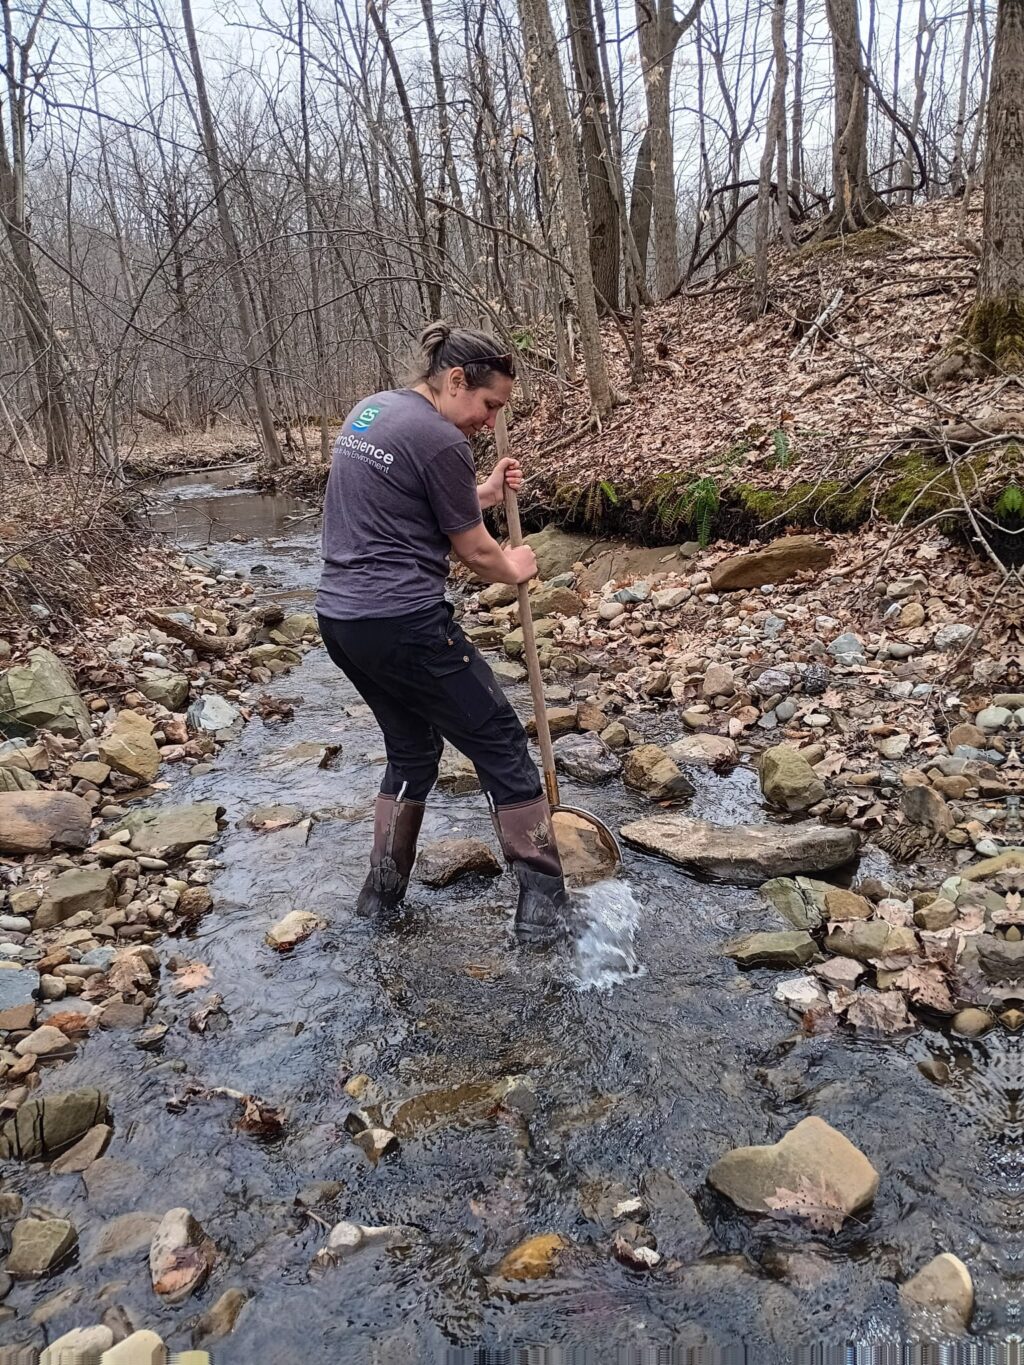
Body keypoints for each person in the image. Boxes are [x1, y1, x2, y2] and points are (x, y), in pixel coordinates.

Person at [315, 322, 569, 939]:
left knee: (412, 751)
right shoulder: (439, 440)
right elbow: (478, 554)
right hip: (403, 621)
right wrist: (517, 566)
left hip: (342, 620)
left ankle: (380, 901)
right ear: (456, 379)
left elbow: (404, 506)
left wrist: (480, 491)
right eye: (489, 404)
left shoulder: (372, 412)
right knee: (502, 743)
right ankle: (543, 910)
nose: (489, 419)